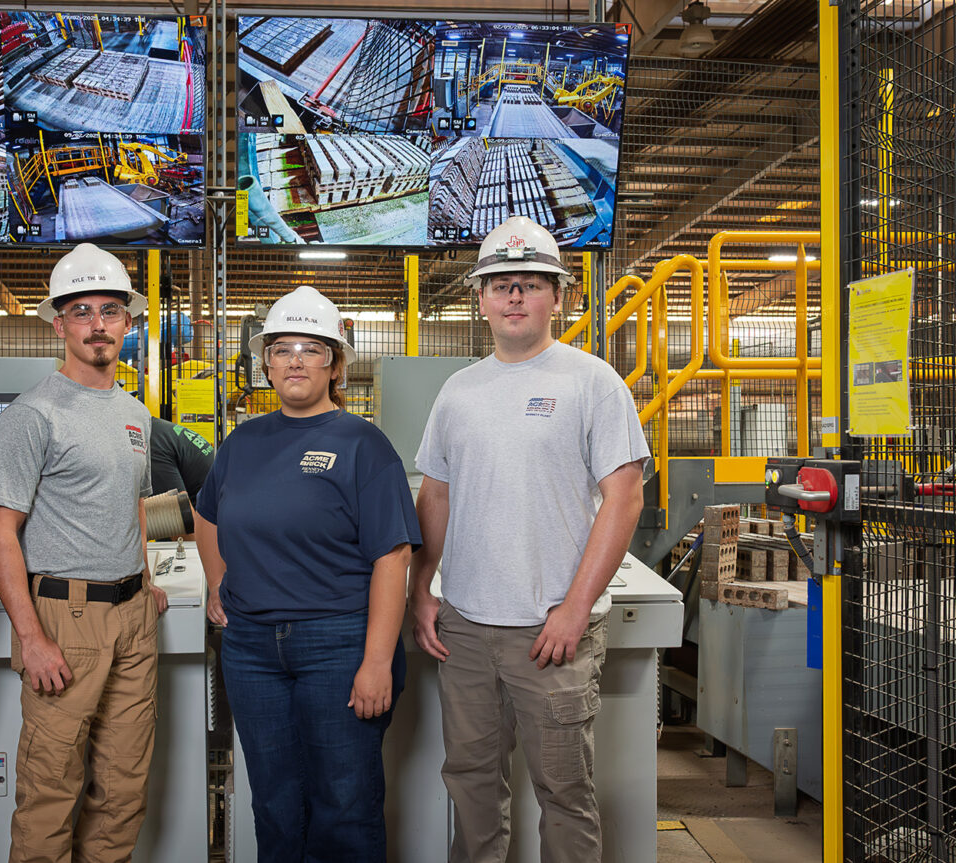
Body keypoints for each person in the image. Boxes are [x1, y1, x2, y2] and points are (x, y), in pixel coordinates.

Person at [409, 216, 649, 863]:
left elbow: (624, 496)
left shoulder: (591, 381)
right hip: (464, 627)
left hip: (551, 630)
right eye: (502, 284)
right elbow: (437, 495)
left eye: (532, 283)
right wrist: (421, 588)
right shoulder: (458, 392)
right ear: (482, 299)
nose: (515, 295)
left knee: (565, 792)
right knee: (471, 783)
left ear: (559, 297)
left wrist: (573, 608)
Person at [195, 285, 421, 861]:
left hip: (338, 643)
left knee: (344, 802)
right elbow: (206, 514)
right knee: (273, 801)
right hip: (249, 648)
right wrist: (218, 579)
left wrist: (375, 661)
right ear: (265, 363)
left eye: (312, 348)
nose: (295, 359)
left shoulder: (364, 446)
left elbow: (392, 558)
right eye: (282, 348)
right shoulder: (242, 441)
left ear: (335, 364)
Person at [0, 242, 168, 863]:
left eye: (110, 311)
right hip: (66, 619)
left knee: (122, 789)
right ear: (58, 324)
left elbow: (133, 510)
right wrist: (30, 636)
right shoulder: (33, 415)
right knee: (49, 790)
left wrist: (145, 582)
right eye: (82, 311)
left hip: (133, 618)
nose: (97, 324)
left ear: (128, 322)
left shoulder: (134, 412)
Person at [149, 415, 214, 500]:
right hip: (217, 494)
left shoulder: (154, 443)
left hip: (205, 504)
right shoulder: (158, 428)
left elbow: (175, 501)